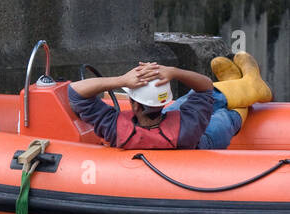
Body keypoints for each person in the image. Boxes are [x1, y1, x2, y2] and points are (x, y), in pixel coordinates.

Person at [68, 53, 272, 150]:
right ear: (162, 103)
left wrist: (121, 80)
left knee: (190, 101)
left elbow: (75, 92)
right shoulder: (188, 125)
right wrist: (174, 72)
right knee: (227, 114)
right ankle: (252, 85)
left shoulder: (114, 130)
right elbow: (205, 86)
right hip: (204, 141)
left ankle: (237, 83)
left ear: (135, 105)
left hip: (179, 133)